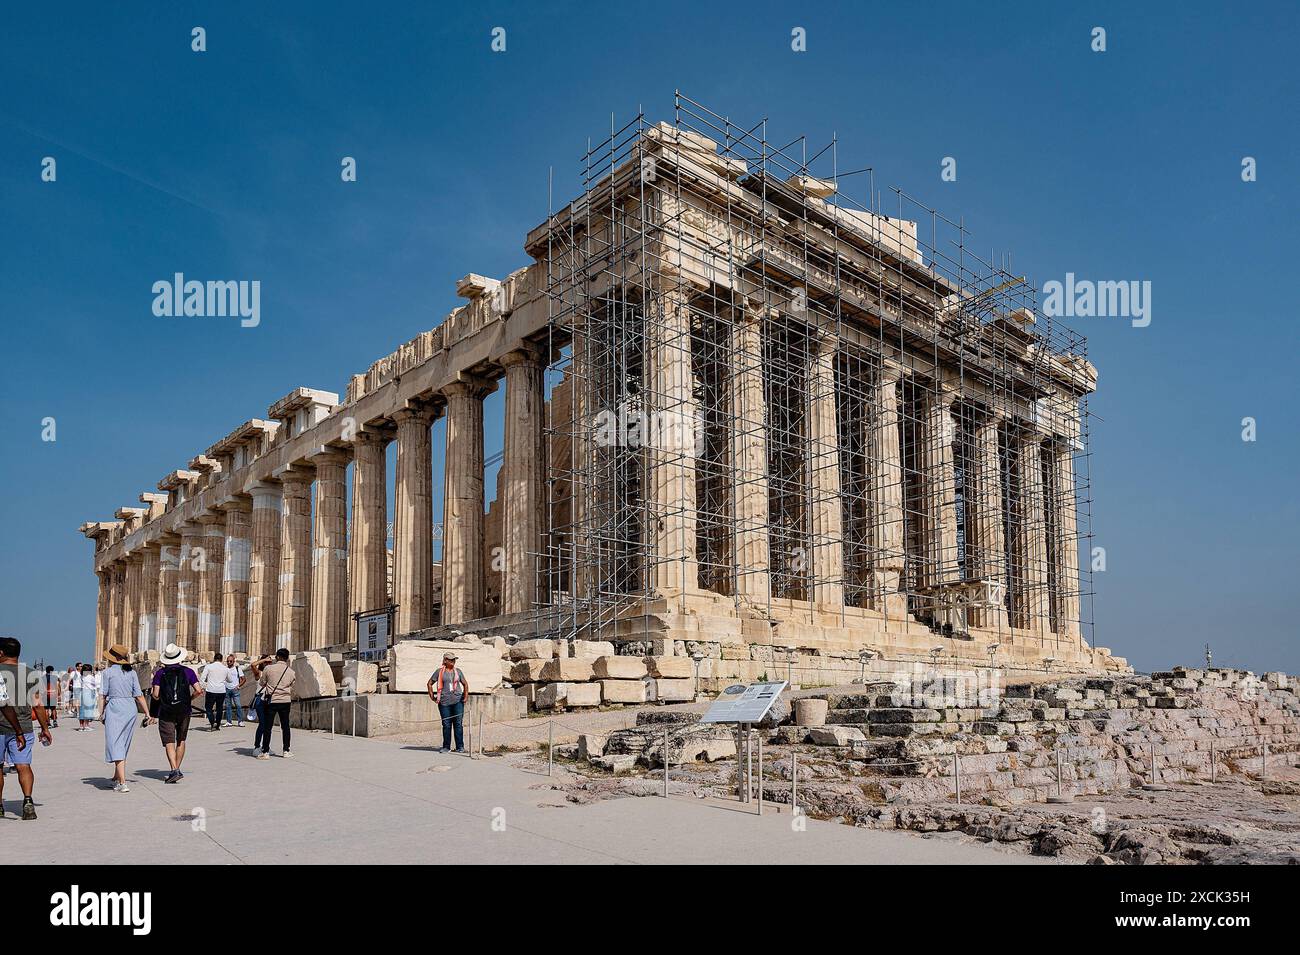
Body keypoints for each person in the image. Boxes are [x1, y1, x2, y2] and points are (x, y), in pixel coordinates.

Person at [0, 637, 53, 819]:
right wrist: (45, 728)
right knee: (23, 765)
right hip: (23, 727)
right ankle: (28, 801)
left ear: (1, 653)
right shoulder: (30, 674)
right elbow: (38, 704)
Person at [99, 644, 153, 793]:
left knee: (115, 742)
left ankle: (122, 782)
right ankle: (116, 777)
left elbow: (103, 695)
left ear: (113, 659)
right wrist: (147, 713)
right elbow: (139, 695)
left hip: (115, 707)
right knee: (123, 742)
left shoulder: (107, 673)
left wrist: (101, 712)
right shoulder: (132, 672)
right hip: (130, 708)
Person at [151, 643, 200, 784]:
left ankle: (174, 770)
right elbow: (199, 690)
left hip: (166, 711)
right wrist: (189, 699)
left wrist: (161, 698)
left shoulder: (160, 673)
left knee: (169, 741)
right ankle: (176, 769)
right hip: (184, 710)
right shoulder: (188, 671)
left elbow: (155, 695)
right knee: (181, 740)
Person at [251, 648, 296, 759]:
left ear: (277, 657)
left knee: (268, 726)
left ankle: (265, 751)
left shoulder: (268, 669)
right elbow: (292, 685)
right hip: (285, 701)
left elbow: (262, 683)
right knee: (285, 727)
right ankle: (286, 750)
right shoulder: (291, 672)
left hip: (272, 701)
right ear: (287, 658)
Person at [427, 652, 469, 754]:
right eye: (451, 660)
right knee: (446, 724)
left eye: (454, 660)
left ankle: (460, 747)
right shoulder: (439, 672)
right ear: (445, 660)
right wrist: (432, 696)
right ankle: (446, 747)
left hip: (457, 701)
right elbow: (429, 683)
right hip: (444, 702)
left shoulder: (458, 671)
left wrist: (466, 696)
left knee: (458, 724)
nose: (453, 662)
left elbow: (465, 684)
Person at [198, 652, 229, 731]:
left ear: (214, 659)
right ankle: (218, 725)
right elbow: (230, 680)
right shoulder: (225, 668)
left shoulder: (208, 667)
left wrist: (203, 687)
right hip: (221, 691)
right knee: (219, 708)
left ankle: (212, 722)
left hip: (211, 690)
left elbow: (202, 679)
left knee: (208, 708)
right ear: (222, 659)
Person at [223, 654, 246, 727]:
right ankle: (229, 721)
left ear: (233, 661)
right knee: (228, 706)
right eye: (228, 661)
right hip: (226, 689)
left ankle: (240, 721)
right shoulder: (225, 669)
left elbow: (244, 679)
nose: (229, 662)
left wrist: (238, 686)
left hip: (235, 689)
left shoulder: (237, 669)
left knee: (238, 705)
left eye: (231, 661)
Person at [77, 663, 99, 730]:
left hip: (82, 692)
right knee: (88, 709)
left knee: (82, 709)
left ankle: (81, 726)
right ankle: (86, 725)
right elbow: (94, 686)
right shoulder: (91, 677)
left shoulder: (81, 677)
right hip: (89, 693)